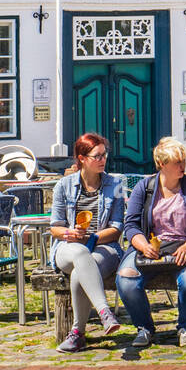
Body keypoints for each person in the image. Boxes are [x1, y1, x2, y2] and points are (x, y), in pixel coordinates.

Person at [117, 137, 186, 349]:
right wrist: (143, 246)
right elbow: (131, 225)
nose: (182, 167)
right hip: (151, 247)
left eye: (184, 161)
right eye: (177, 162)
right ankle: (144, 327)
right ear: (162, 164)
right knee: (126, 277)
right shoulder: (145, 188)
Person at [48, 133, 127, 352]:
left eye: (104, 155)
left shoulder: (115, 185)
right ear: (82, 158)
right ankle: (104, 312)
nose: (103, 160)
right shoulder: (63, 186)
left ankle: (77, 334)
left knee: (78, 272)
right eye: (97, 156)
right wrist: (70, 233)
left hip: (104, 247)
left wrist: (91, 238)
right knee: (81, 255)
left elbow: (117, 228)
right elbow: (55, 227)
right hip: (69, 248)